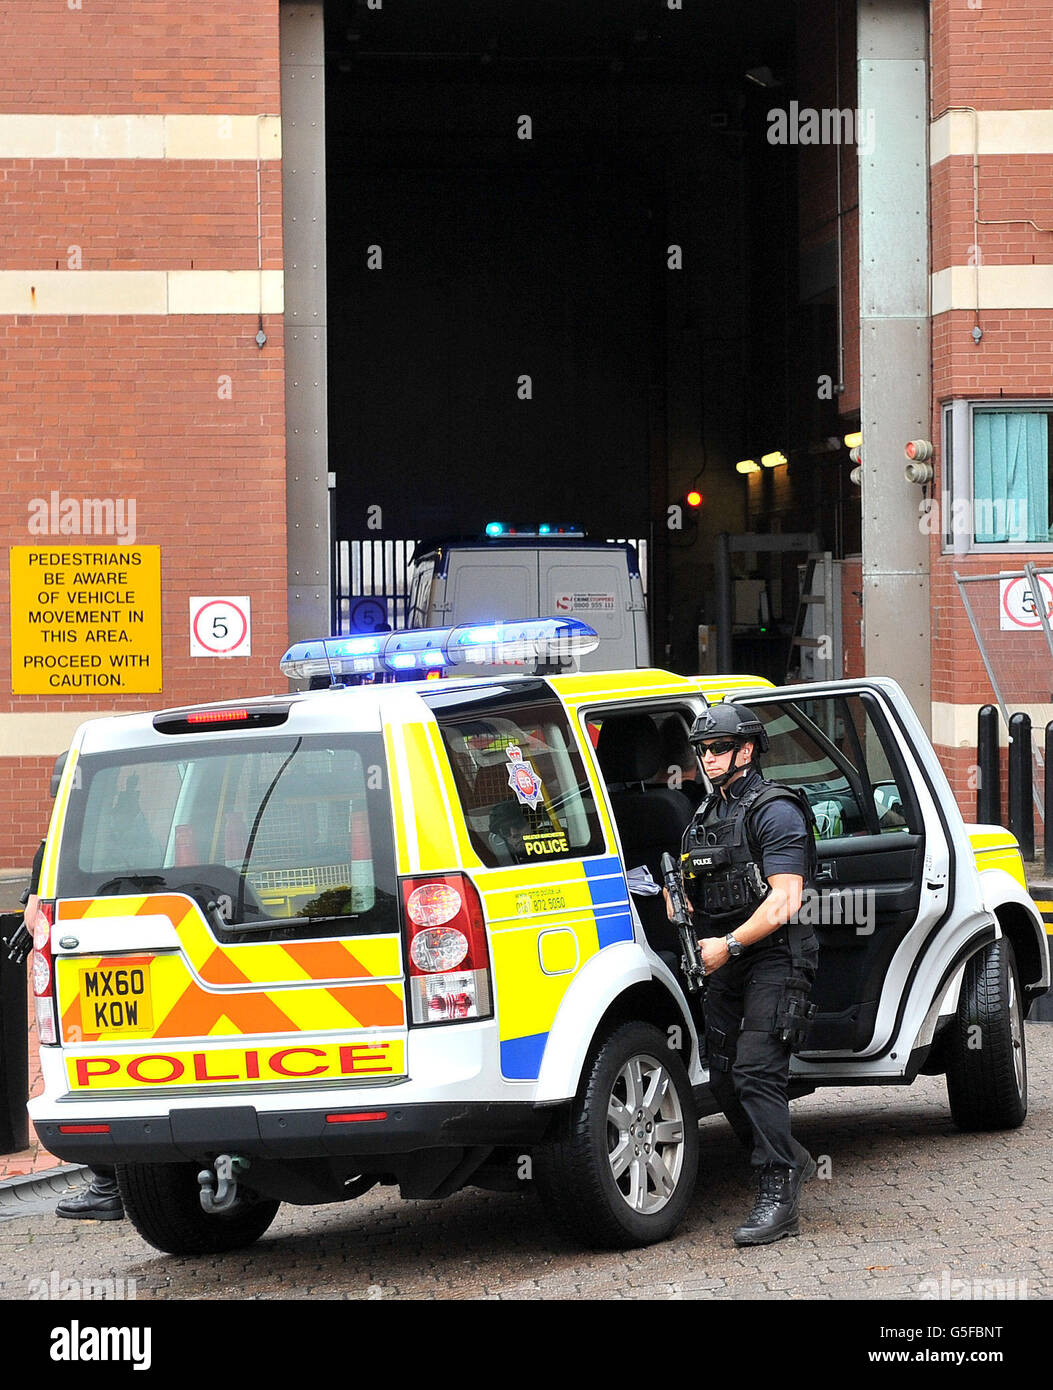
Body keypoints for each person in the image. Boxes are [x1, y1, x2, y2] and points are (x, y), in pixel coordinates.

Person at [666, 702, 818, 1246]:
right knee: (725, 1076)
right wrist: (677, 899)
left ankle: (779, 1191)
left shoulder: (776, 811)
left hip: (773, 956)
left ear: (746, 751)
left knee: (756, 1071)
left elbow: (785, 901)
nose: (706, 758)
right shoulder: (704, 817)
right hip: (722, 960)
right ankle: (790, 1155)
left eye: (716, 749)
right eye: (701, 750)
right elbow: (695, 884)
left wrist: (727, 945)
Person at [18, 836, 125, 1222]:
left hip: (93, 975)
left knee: (94, 1076)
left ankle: (107, 1186)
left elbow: (35, 919)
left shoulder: (64, 839)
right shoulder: (148, 826)